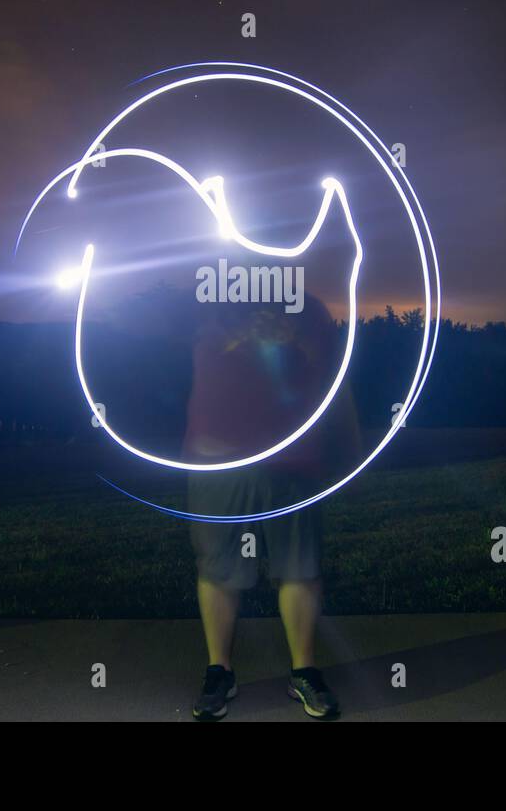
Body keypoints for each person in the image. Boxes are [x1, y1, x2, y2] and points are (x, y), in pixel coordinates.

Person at [183, 288, 359, 721]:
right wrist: (238, 338)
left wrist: (297, 342)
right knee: (219, 568)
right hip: (218, 459)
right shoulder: (210, 301)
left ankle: (304, 672)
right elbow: (176, 352)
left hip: (292, 459)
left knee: (300, 566)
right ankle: (218, 671)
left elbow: (333, 372)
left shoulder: (309, 309)